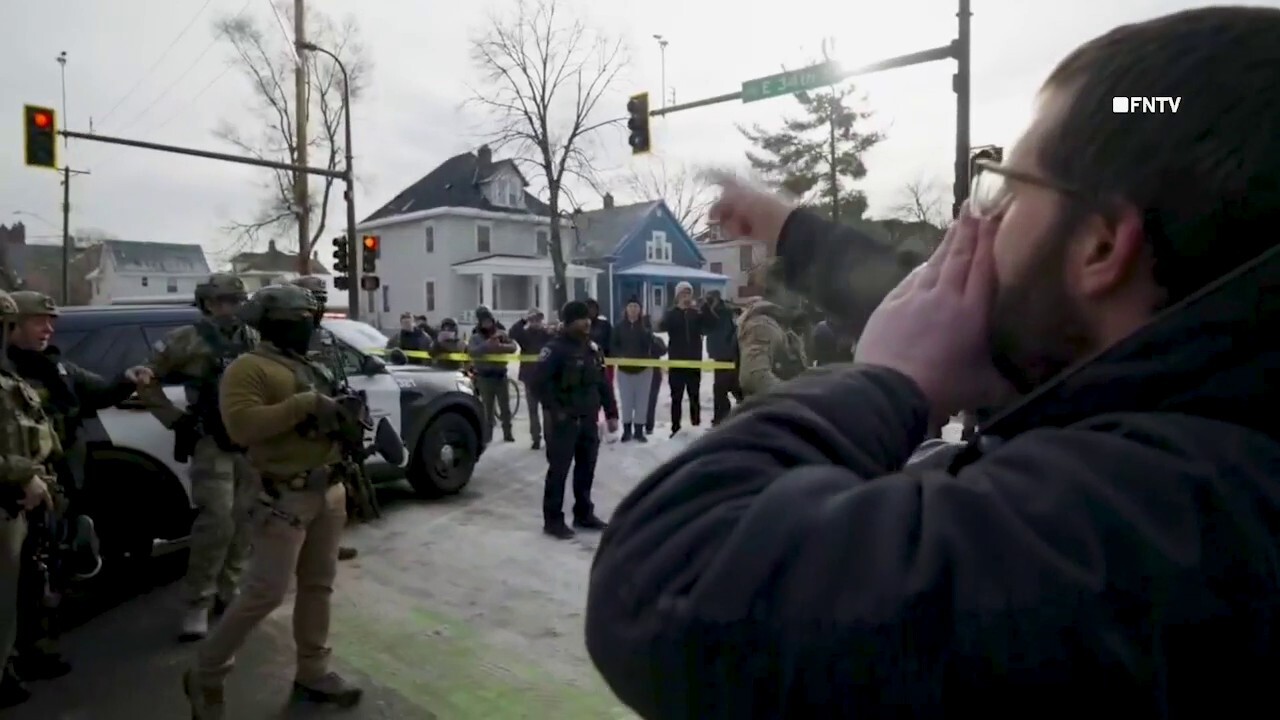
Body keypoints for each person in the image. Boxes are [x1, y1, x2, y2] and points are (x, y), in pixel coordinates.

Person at [585, 7, 1280, 716]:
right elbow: (961, 304)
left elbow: (668, 576)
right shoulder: (1207, 425)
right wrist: (792, 231)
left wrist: (887, 382)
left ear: (1101, 247)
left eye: (1007, 189)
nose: (978, 222)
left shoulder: (1136, 530)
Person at [185, 284, 361, 718]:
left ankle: (313, 671)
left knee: (318, 585)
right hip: (283, 496)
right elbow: (241, 427)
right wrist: (305, 405)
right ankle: (207, 672)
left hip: (327, 489)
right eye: (300, 320)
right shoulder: (249, 368)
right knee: (265, 592)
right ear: (275, 324)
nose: (308, 327)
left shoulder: (309, 363)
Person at [5, 290, 144, 676]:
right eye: (39, 321)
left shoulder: (59, 369)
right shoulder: (8, 374)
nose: (48, 329)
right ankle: (13, 659)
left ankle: (34, 648)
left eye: (51, 322)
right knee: (18, 577)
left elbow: (99, 392)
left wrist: (127, 379)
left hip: (61, 484)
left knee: (48, 570)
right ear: (12, 325)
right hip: (19, 489)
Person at [138, 274, 259, 641]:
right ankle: (198, 602)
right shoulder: (186, 339)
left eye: (235, 301)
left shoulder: (254, 338)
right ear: (206, 303)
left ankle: (229, 588)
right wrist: (176, 420)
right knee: (217, 520)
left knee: (245, 517)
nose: (229, 308)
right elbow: (146, 378)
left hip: (250, 440)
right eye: (221, 301)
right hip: (211, 440)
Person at [0, 289, 61, 709]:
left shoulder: (11, 377)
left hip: (22, 500)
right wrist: (23, 474)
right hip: (10, 497)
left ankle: (12, 665)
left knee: (21, 591)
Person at [288, 276, 360, 562]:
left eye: (321, 298)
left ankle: (330, 542)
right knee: (302, 492)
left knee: (336, 486)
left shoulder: (326, 334)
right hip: (305, 418)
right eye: (312, 298)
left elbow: (337, 370)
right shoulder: (290, 335)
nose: (318, 304)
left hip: (333, 417)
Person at [535, 301, 617, 539]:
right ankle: (553, 520)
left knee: (586, 469)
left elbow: (603, 382)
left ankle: (583, 513)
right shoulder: (554, 349)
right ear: (569, 322)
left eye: (587, 318)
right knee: (559, 471)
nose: (587, 322)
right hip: (564, 421)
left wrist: (611, 413)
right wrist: (556, 412)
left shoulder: (592, 348)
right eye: (581, 318)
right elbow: (538, 384)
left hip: (588, 419)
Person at [736, 274, 810, 397]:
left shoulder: (782, 326)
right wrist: (794, 396)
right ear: (773, 289)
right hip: (770, 406)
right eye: (792, 290)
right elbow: (754, 376)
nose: (798, 298)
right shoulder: (762, 324)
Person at [610, 297, 662, 442]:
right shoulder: (619, 327)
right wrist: (620, 355)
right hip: (624, 370)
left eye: (636, 307)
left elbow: (652, 344)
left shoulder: (645, 326)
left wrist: (646, 331)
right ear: (626, 309)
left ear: (640, 310)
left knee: (642, 401)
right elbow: (613, 345)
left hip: (644, 370)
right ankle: (626, 430)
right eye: (630, 306)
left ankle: (639, 430)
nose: (633, 310)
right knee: (626, 401)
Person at [658, 281, 706, 436]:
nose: (686, 297)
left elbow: (708, 327)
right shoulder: (672, 313)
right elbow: (662, 326)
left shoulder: (696, 314)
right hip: (676, 361)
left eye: (688, 293)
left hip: (694, 361)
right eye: (683, 294)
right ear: (677, 296)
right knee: (676, 397)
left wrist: (701, 310)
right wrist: (677, 310)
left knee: (694, 395)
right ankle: (675, 427)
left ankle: (696, 424)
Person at [467, 307, 517, 443]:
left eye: (489, 321)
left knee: (505, 407)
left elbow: (513, 347)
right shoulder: (476, 337)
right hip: (485, 377)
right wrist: (487, 346)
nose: (487, 324)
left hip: (501, 375)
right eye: (484, 322)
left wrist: (500, 347)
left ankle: (508, 433)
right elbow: (472, 352)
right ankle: (487, 436)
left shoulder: (500, 334)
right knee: (487, 409)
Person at [509, 308, 554, 450]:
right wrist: (523, 320)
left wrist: (553, 329)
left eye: (538, 319)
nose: (536, 322)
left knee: (547, 411)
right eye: (533, 319)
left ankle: (549, 438)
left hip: (546, 378)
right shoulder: (524, 334)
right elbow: (512, 333)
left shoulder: (547, 334)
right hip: (530, 378)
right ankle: (536, 438)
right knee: (532, 411)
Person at [701, 290, 742, 424]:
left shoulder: (724, 312)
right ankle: (723, 415)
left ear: (716, 299)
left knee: (723, 387)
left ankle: (722, 416)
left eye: (710, 299)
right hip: (720, 355)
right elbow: (705, 330)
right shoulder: (713, 312)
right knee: (725, 387)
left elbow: (726, 333)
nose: (709, 302)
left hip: (727, 355)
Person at [643, 312, 662, 436]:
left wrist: (652, 340)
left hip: (654, 374)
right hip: (639, 373)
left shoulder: (655, 340)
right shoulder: (636, 339)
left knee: (650, 402)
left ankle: (649, 426)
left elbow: (663, 350)